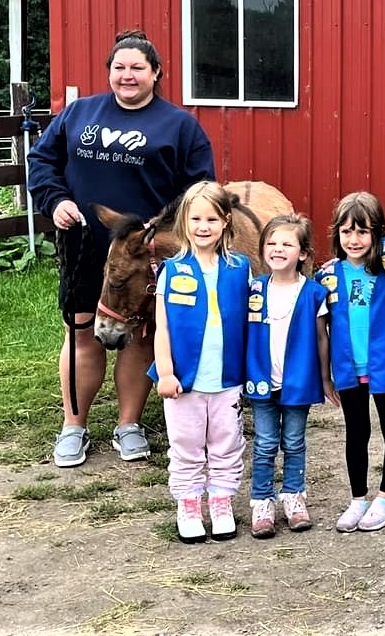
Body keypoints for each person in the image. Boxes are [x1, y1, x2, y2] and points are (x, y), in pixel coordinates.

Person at [27, 29, 215, 469]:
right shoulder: (80, 114)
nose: (127, 76)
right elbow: (42, 161)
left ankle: (128, 424)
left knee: (139, 337)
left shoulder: (180, 126)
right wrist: (56, 201)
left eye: (137, 68)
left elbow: (200, 187)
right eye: (119, 68)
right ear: (109, 71)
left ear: (156, 73)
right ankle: (74, 425)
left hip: (145, 256)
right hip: (85, 246)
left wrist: (165, 225)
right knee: (82, 332)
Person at [149, 181, 250, 543]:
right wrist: (164, 371)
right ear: (184, 222)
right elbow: (162, 328)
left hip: (228, 378)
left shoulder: (240, 269)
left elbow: (251, 323)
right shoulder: (171, 270)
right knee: (187, 445)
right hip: (184, 381)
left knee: (227, 443)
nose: (203, 226)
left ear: (225, 222)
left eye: (211, 218)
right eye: (195, 218)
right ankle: (189, 504)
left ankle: (221, 502)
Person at [316, 191, 385, 534]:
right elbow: (321, 331)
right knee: (357, 432)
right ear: (336, 234)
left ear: (377, 233)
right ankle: (358, 498)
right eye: (347, 231)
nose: (354, 240)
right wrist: (325, 377)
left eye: (363, 231)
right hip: (348, 369)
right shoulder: (328, 276)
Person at [244, 214, 328, 539]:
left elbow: (322, 338)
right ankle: (262, 501)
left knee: (294, 442)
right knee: (264, 444)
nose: (278, 249)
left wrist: (325, 378)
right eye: (272, 243)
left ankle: (293, 495)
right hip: (260, 381)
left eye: (287, 244)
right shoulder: (252, 290)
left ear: (303, 253)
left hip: (298, 382)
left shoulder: (313, 293)